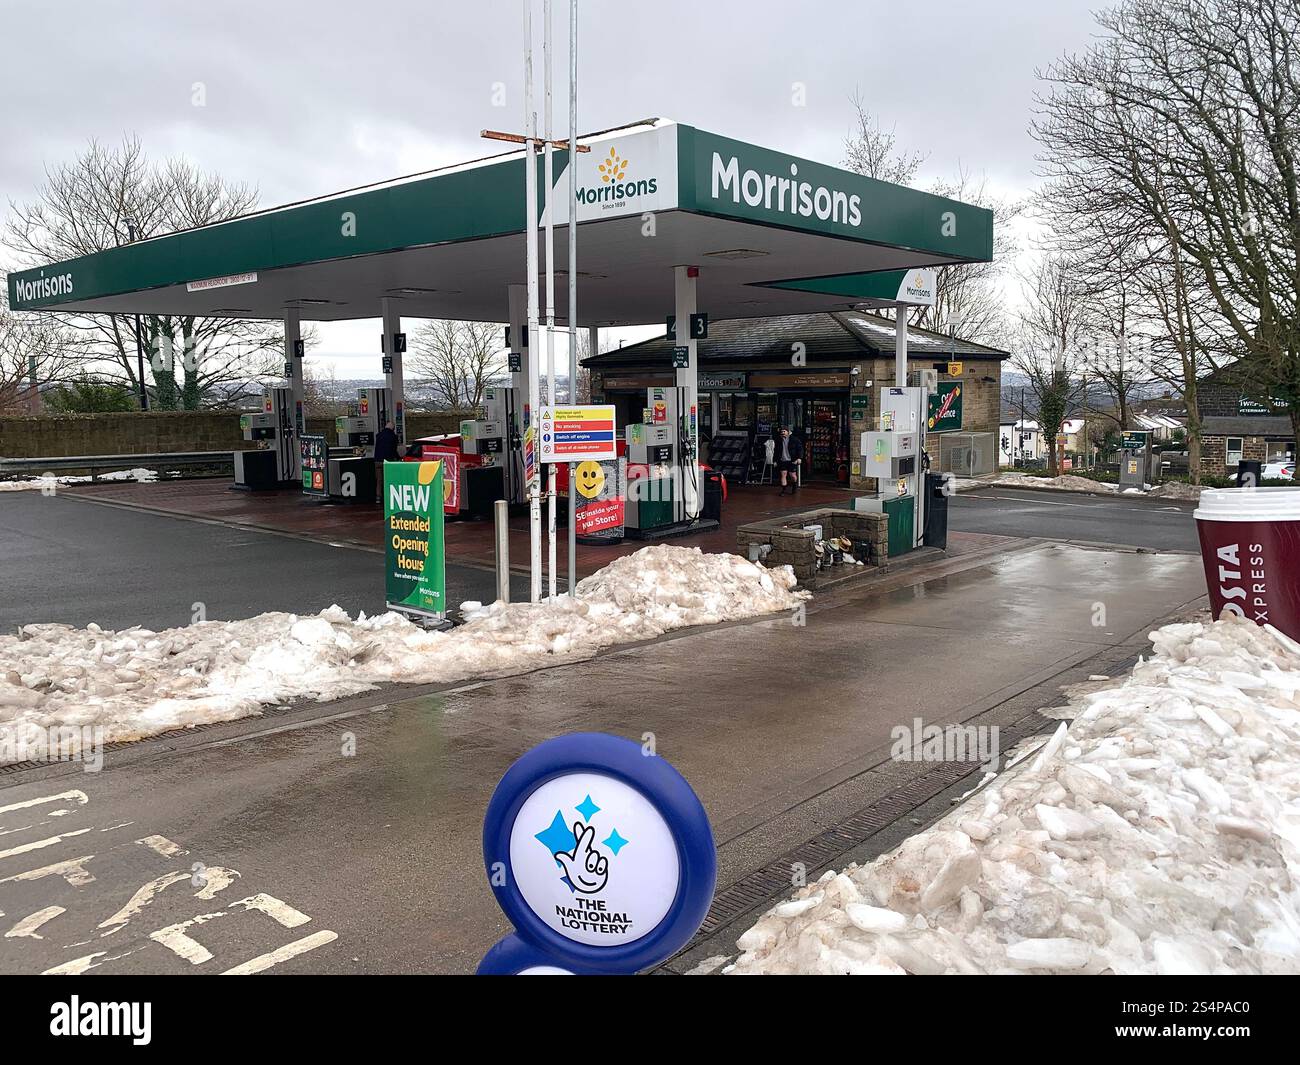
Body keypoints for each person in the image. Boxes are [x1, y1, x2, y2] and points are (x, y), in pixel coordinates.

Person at [776, 425, 803, 494]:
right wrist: (775, 460)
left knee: (792, 475)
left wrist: (799, 458)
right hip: (783, 460)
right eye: (781, 432)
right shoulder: (779, 440)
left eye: (784, 431)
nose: (783, 433)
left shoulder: (794, 439)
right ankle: (783, 490)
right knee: (783, 474)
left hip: (792, 460)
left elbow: (800, 449)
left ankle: (794, 486)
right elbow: (776, 450)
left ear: (788, 432)